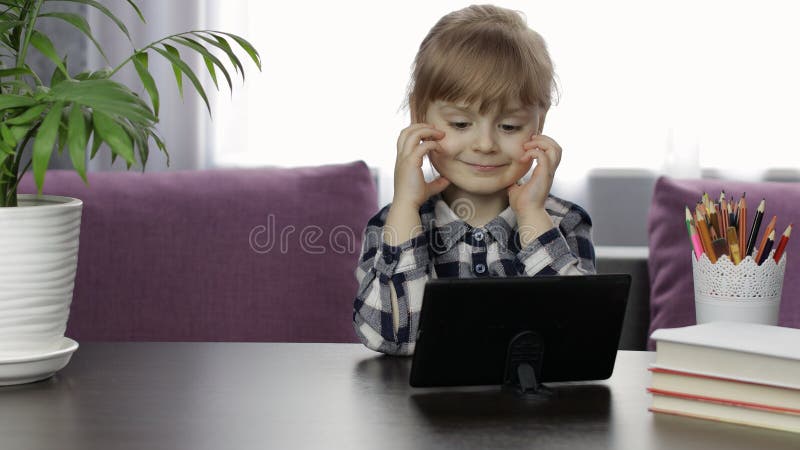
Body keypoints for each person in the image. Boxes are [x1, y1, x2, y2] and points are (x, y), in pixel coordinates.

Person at [353, 4, 595, 356]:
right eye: (460, 124)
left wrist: (532, 218)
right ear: (419, 116)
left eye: (509, 126)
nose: (485, 145)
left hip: (533, 412)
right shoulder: (393, 224)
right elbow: (391, 338)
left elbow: (582, 338)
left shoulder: (564, 222)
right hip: (421, 412)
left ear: (539, 126)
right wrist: (405, 207)